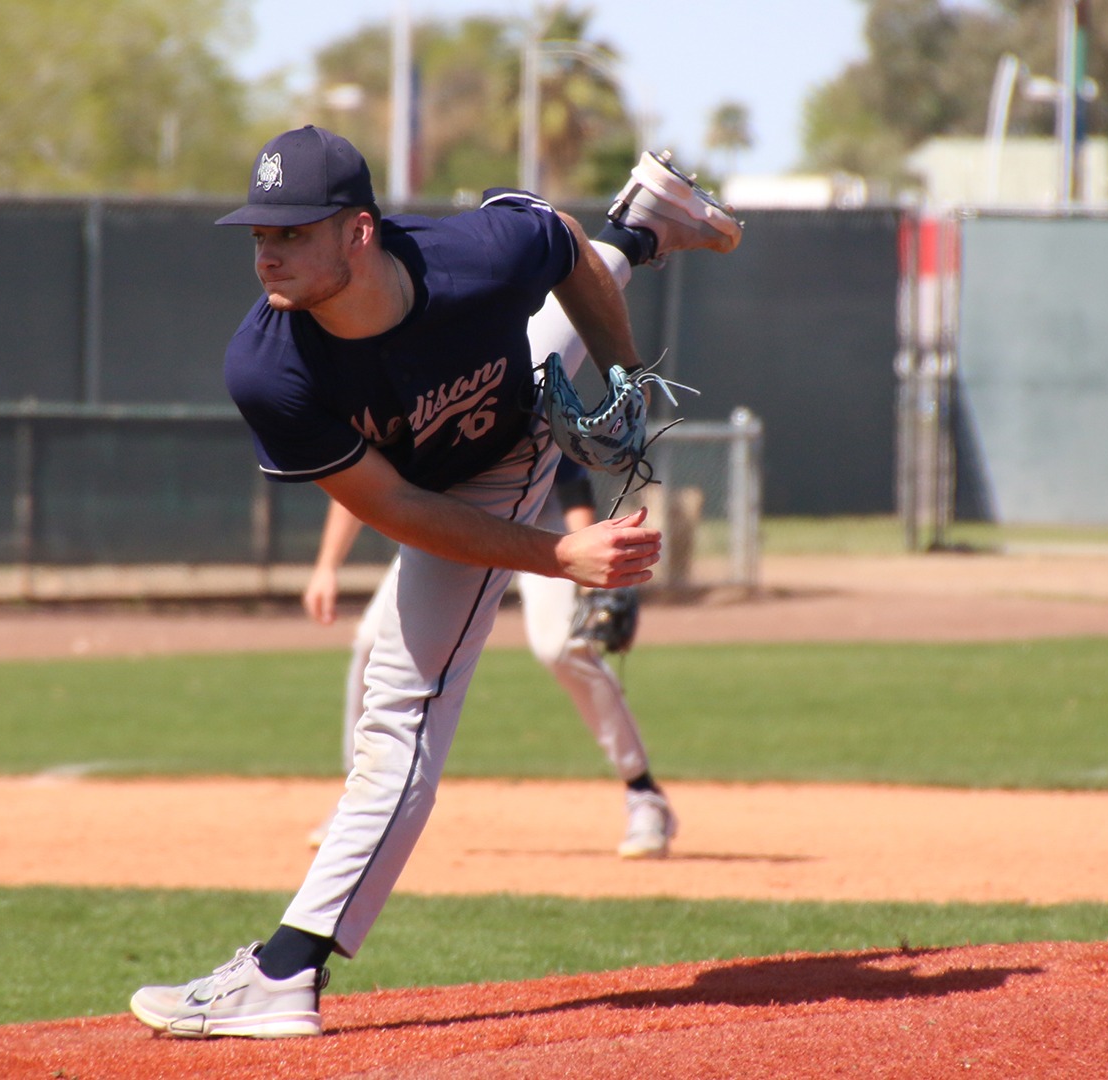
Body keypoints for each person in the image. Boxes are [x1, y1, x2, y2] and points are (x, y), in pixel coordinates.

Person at [129, 126, 742, 1040]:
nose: (269, 250)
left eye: (294, 231)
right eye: (260, 231)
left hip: (509, 443)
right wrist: (553, 556)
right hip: (441, 487)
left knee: (402, 709)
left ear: (360, 231)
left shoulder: (478, 253)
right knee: (395, 673)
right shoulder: (268, 366)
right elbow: (396, 508)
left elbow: (562, 249)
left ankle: (286, 975)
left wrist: (626, 377)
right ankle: (645, 224)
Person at [300, 454, 678, 860]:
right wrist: (326, 565)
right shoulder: (391, 396)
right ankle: (359, 798)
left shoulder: (517, 394)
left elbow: (570, 479)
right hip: (448, 514)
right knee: (372, 641)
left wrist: (589, 570)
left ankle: (644, 794)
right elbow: (355, 479)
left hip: (539, 515)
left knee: (561, 648)